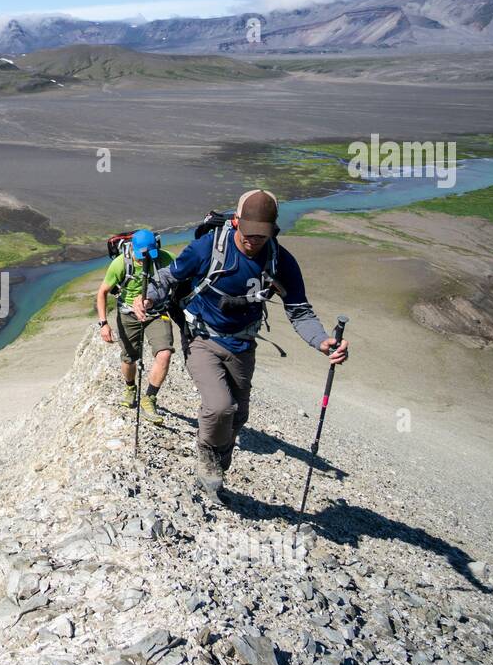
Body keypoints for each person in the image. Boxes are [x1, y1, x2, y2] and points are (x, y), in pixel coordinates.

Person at [133, 190, 349, 497]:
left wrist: (323, 341)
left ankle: (219, 457)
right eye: (248, 233)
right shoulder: (208, 247)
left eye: (262, 236)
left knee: (238, 416)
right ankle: (207, 455)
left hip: (243, 345)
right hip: (201, 338)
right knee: (220, 406)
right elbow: (169, 276)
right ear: (235, 222)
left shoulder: (279, 261)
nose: (253, 241)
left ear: (273, 231)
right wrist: (150, 296)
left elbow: (298, 310)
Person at [96, 228, 174, 425]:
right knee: (130, 358)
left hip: (157, 312)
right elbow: (102, 292)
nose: (144, 260)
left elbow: (182, 277)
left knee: (164, 353)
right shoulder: (121, 263)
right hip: (128, 314)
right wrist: (104, 323)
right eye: (141, 257)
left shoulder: (166, 259)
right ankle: (130, 387)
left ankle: (149, 398)